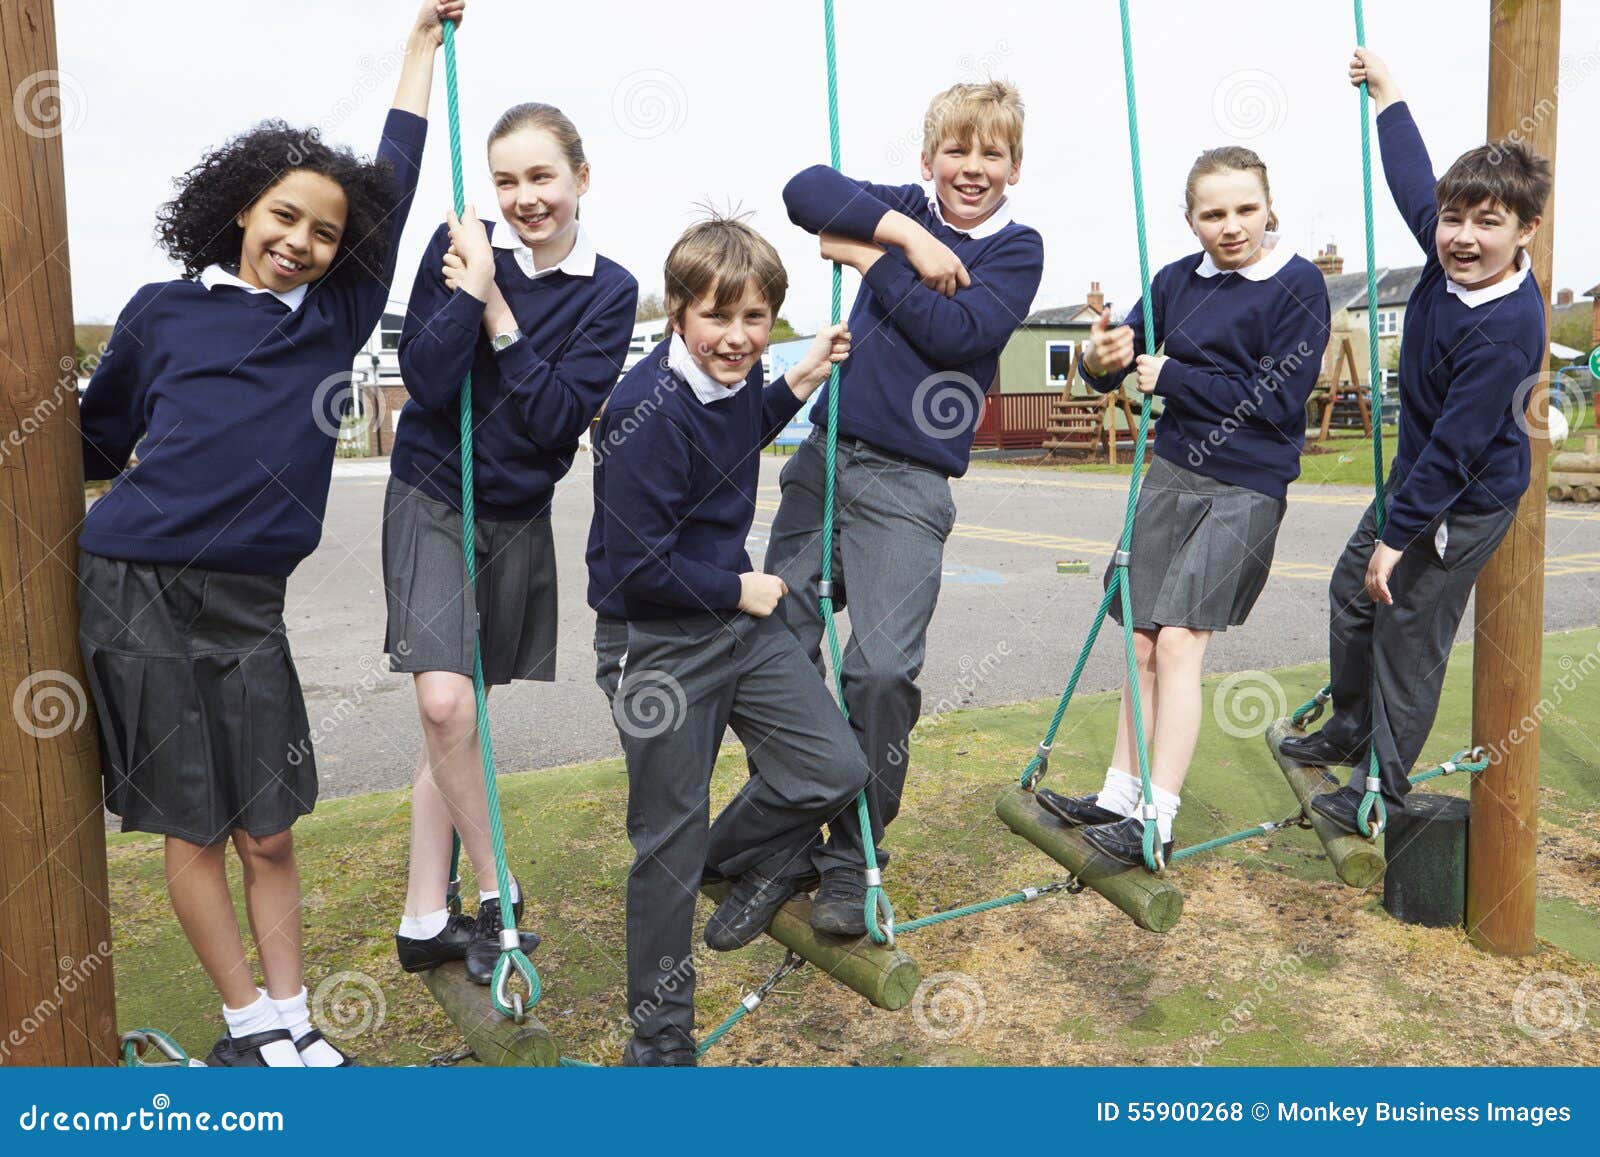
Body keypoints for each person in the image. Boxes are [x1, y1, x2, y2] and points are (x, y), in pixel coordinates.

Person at [75, 1, 464, 1067]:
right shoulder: (162, 310)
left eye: (325, 232)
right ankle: (249, 1024)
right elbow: (94, 440)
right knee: (196, 827)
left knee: (271, 827)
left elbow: (398, 172)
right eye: (284, 216)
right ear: (241, 208)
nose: (299, 241)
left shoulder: (334, 321)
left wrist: (418, 50)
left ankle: (293, 1014)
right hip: (137, 585)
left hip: (251, 608)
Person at [1280, 48, 1549, 836]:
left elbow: (1459, 451)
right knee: (1348, 594)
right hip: (1421, 480)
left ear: (1525, 229)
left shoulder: (1507, 327)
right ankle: (1348, 726)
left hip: (1464, 496)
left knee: (1407, 628)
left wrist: (1397, 540)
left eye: (1487, 223)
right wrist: (1388, 93)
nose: (1462, 237)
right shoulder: (1443, 259)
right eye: (1454, 218)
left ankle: (1380, 792)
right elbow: (1409, 174)